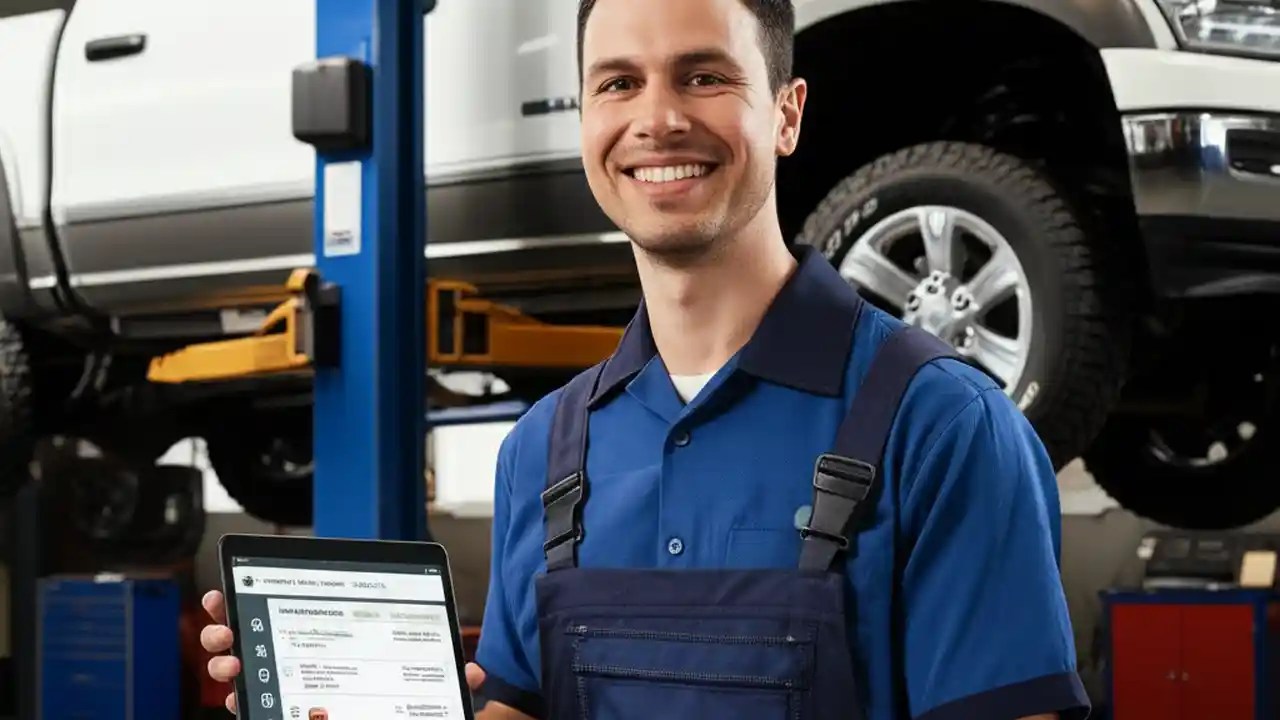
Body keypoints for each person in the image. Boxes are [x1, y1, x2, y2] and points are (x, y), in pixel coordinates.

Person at [200, 0, 1090, 718]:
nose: (657, 120)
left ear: (786, 112)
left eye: (703, 76)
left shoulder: (942, 427)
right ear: (586, 120)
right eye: (618, 84)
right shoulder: (545, 451)